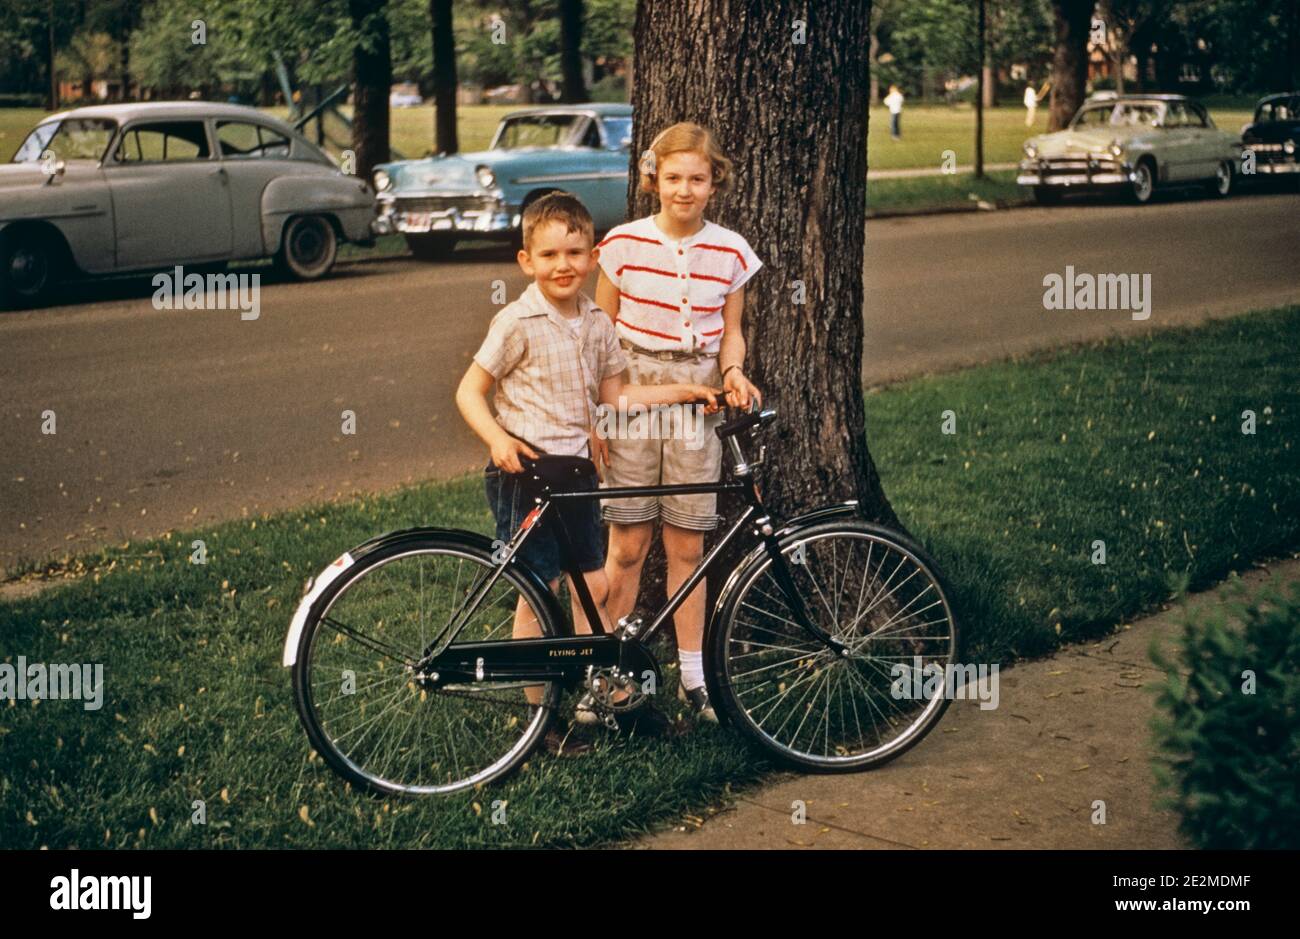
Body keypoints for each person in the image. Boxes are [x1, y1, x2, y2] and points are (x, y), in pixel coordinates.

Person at [455, 192, 720, 751]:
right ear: (526, 261)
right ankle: (541, 722)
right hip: (524, 471)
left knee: (596, 584)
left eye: (574, 252)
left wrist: (687, 390)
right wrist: (498, 439)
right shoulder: (517, 320)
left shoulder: (598, 322)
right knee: (536, 590)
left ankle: (605, 693)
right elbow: (469, 391)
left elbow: (617, 397)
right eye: (548, 255)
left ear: (593, 255)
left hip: (575, 474)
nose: (562, 265)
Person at [592, 123, 763, 725]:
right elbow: (598, 335)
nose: (684, 190)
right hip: (634, 394)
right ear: (652, 181)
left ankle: (695, 680)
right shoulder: (620, 245)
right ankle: (605, 677)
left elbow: (732, 331)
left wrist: (734, 371)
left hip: (699, 401)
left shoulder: (732, 250)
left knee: (687, 545)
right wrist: (599, 411)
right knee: (628, 544)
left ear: (715, 182)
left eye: (697, 179)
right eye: (672, 179)